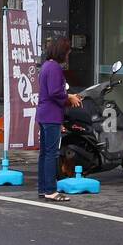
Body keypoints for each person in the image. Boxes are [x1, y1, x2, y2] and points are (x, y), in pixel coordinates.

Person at [37, 36, 81, 203]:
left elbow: (51, 90)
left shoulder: (46, 66)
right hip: (51, 115)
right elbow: (55, 92)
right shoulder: (55, 68)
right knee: (51, 154)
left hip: (43, 113)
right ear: (62, 53)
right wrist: (69, 98)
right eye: (67, 53)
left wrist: (67, 95)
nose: (68, 56)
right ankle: (50, 190)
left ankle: (43, 188)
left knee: (44, 153)